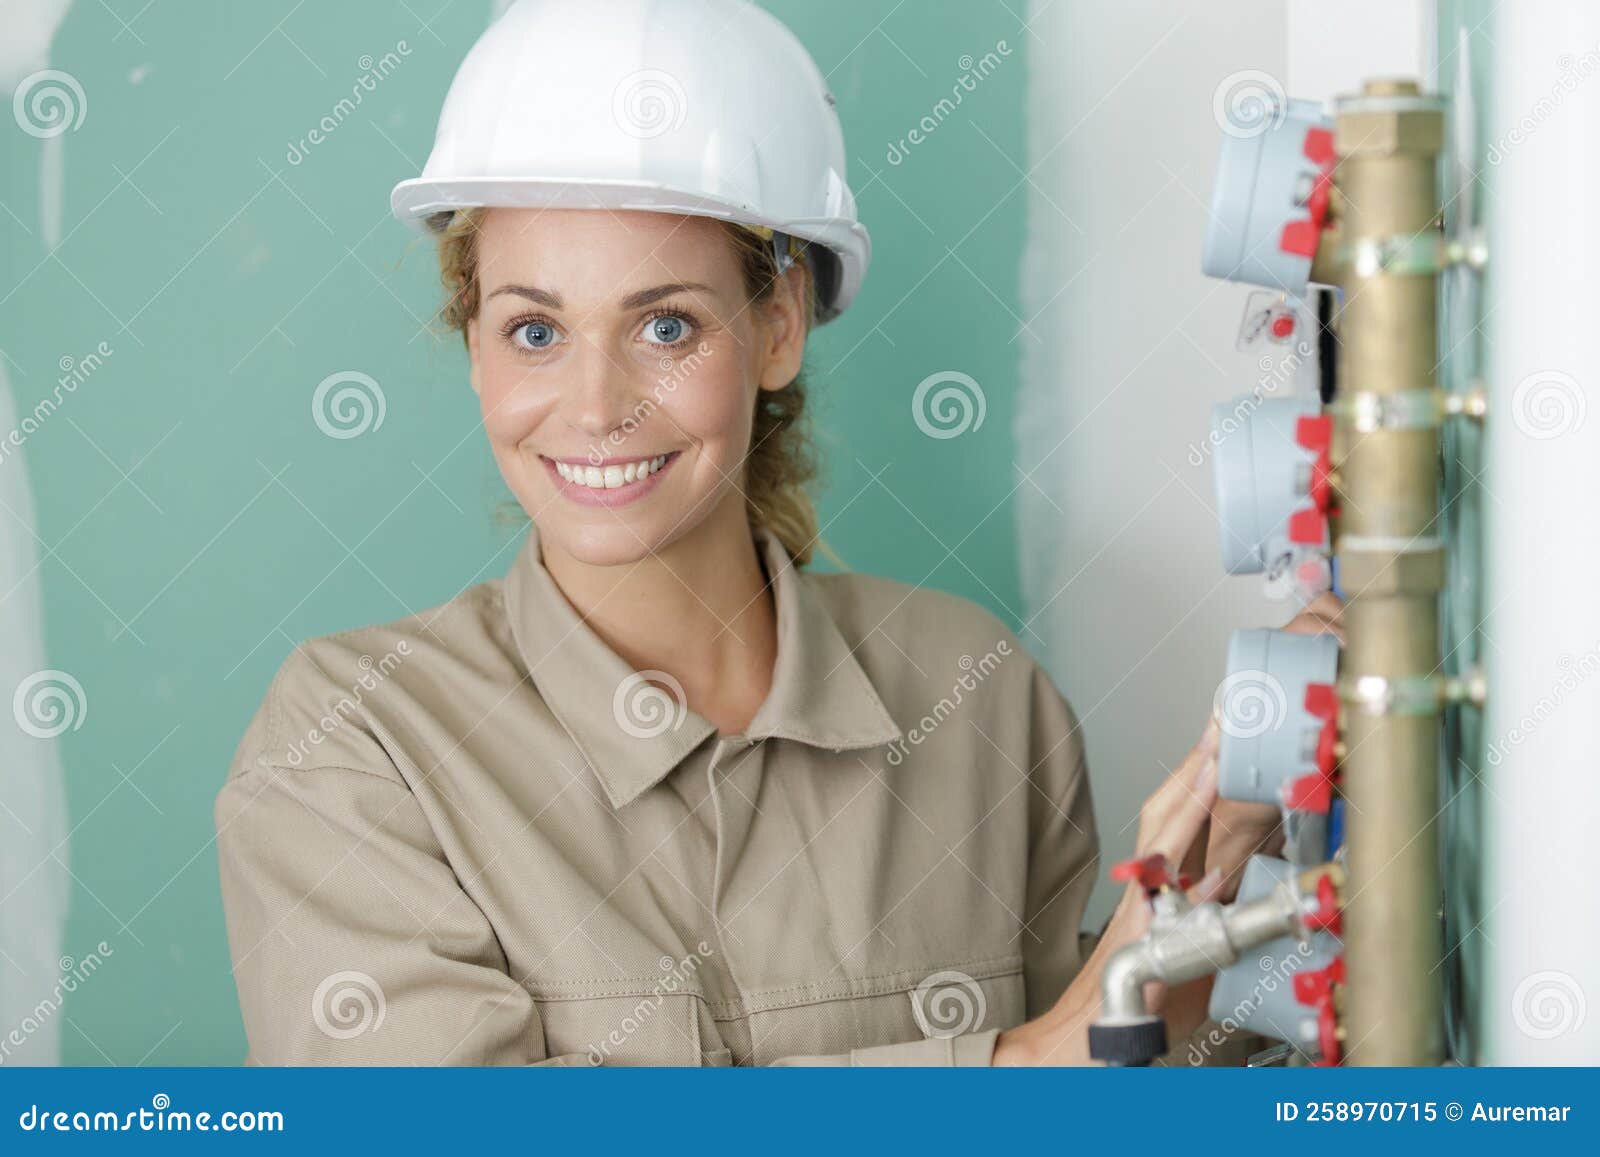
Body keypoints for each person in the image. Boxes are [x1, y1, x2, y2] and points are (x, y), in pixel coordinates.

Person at [215, 0, 1336, 1065]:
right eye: (534, 329)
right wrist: (1015, 1065)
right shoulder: (357, 743)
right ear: (475, 349)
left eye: (666, 324)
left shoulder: (973, 691)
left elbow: (1109, 1080)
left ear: (779, 325)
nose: (596, 404)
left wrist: (1224, 850)